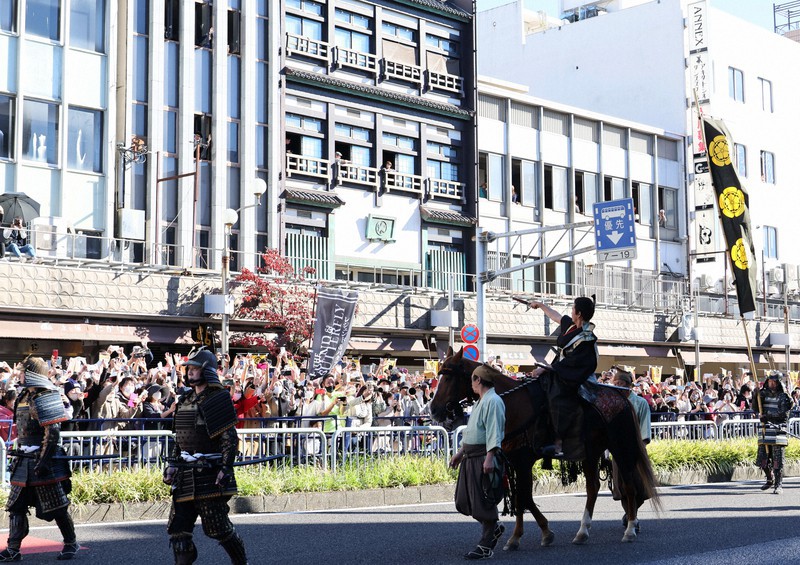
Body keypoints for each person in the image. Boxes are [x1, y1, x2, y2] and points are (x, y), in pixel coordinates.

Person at [163, 347, 248, 564]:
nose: (190, 371)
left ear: (207, 370)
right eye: (188, 368)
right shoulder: (185, 399)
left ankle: (241, 563)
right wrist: (172, 464)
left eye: (195, 368)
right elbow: (179, 438)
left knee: (217, 528)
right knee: (178, 531)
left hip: (209, 473)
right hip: (185, 473)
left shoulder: (218, 397)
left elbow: (228, 437)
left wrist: (225, 468)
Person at [0, 356, 79, 561]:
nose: (20, 375)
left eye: (24, 372)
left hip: (43, 458)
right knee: (16, 506)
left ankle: (71, 542)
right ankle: (13, 549)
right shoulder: (24, 394)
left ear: (33, 374)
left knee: (57, 506)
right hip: (24, 458)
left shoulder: (45, 395)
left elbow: (52, 432)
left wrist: (43, 460)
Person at [529, 296, 598, 457]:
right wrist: (540, 305)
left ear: (579, 314)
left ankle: (559, 440)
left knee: (556, 395)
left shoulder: (587, 338)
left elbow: (573, 363)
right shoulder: (571, 326)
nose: (571, 311)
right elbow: (556, 316)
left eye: (573, 308)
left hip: (574, 375)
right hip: (559, 370)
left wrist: (545, 369)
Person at [449, 364, 506, 560]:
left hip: (482, 457)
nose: (471, 384)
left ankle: (485, 546)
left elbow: (494, 431)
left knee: (483, 502)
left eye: (472, 380)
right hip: (470, 456)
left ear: (478, 380)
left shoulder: (494, 401)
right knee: (464, 501)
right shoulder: (481, 401)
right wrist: (460, 453)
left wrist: (490, 457)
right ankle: (494, 528)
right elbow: (472, 431)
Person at [755, 371, 792, 494]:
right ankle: (769, 478)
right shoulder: (763, 394)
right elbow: (755, 408)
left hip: (778, 430)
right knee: (762, 460)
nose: (771, 383)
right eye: (770, 381)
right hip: (765, 429)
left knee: (777, 461)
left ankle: (778, 485)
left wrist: (768, 416)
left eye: (774, 381)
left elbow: (783, 414)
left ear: (778, 383)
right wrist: (755, 395)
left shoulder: (784, 396)